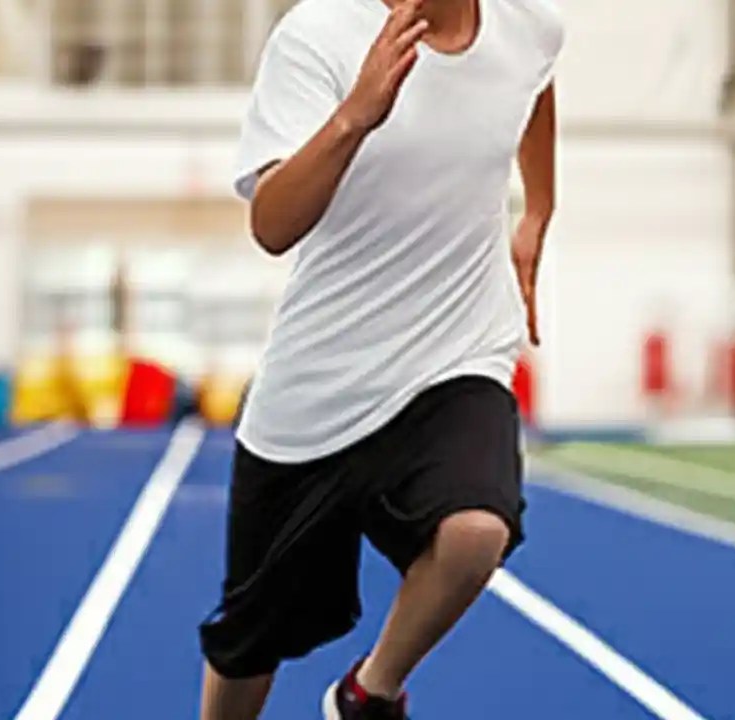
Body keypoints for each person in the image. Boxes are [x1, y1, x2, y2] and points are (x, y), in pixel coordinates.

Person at [198, 0, 563, 716]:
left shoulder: (529, 26)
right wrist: (353, 117)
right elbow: (271, 225)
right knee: (250, 643)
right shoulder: (319, 35)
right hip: (320, 387)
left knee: (475, 530)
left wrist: (538, 209)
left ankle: (367, 695)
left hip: (456, 351)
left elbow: (537, 85)